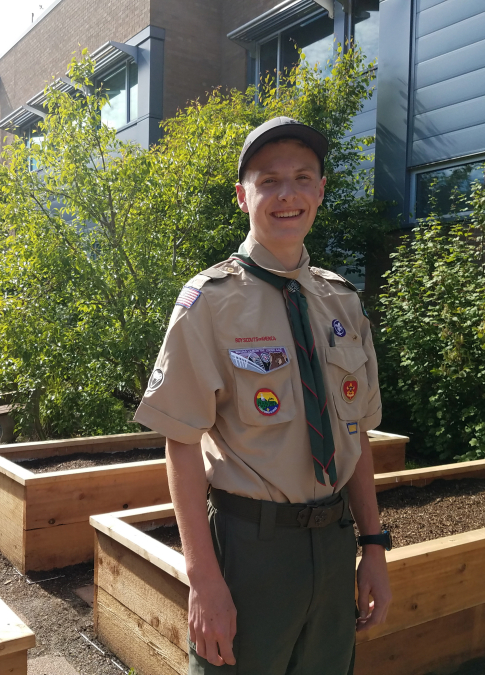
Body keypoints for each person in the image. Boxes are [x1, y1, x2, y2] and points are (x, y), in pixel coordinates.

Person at [134, 116, 392, 675]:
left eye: (302, 177)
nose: (287, 194)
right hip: (250, 551)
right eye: (268, 180)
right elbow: (181, 443)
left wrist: (373, 547)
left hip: (334, 543)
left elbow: (357, 438)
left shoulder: (342, 301)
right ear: (242, 195)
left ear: (320, 191)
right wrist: (203, 580)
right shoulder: (210, 301)